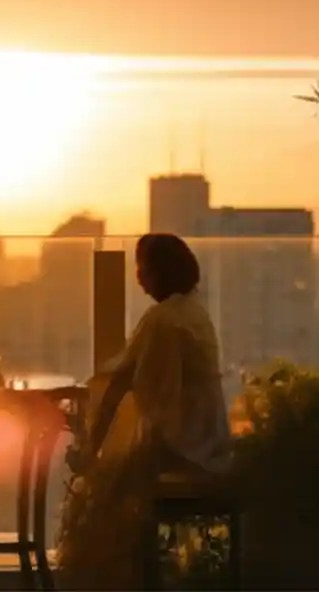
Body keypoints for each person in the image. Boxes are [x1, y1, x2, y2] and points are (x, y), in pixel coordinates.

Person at [58, 233, 231, 589]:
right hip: (210, 441)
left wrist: (92, 447)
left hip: (182, 446)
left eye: (143, 268)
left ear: (160, 272)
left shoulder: (161, 320)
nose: (138, 277)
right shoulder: (194, 312)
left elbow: (126, 384)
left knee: (101, 490)